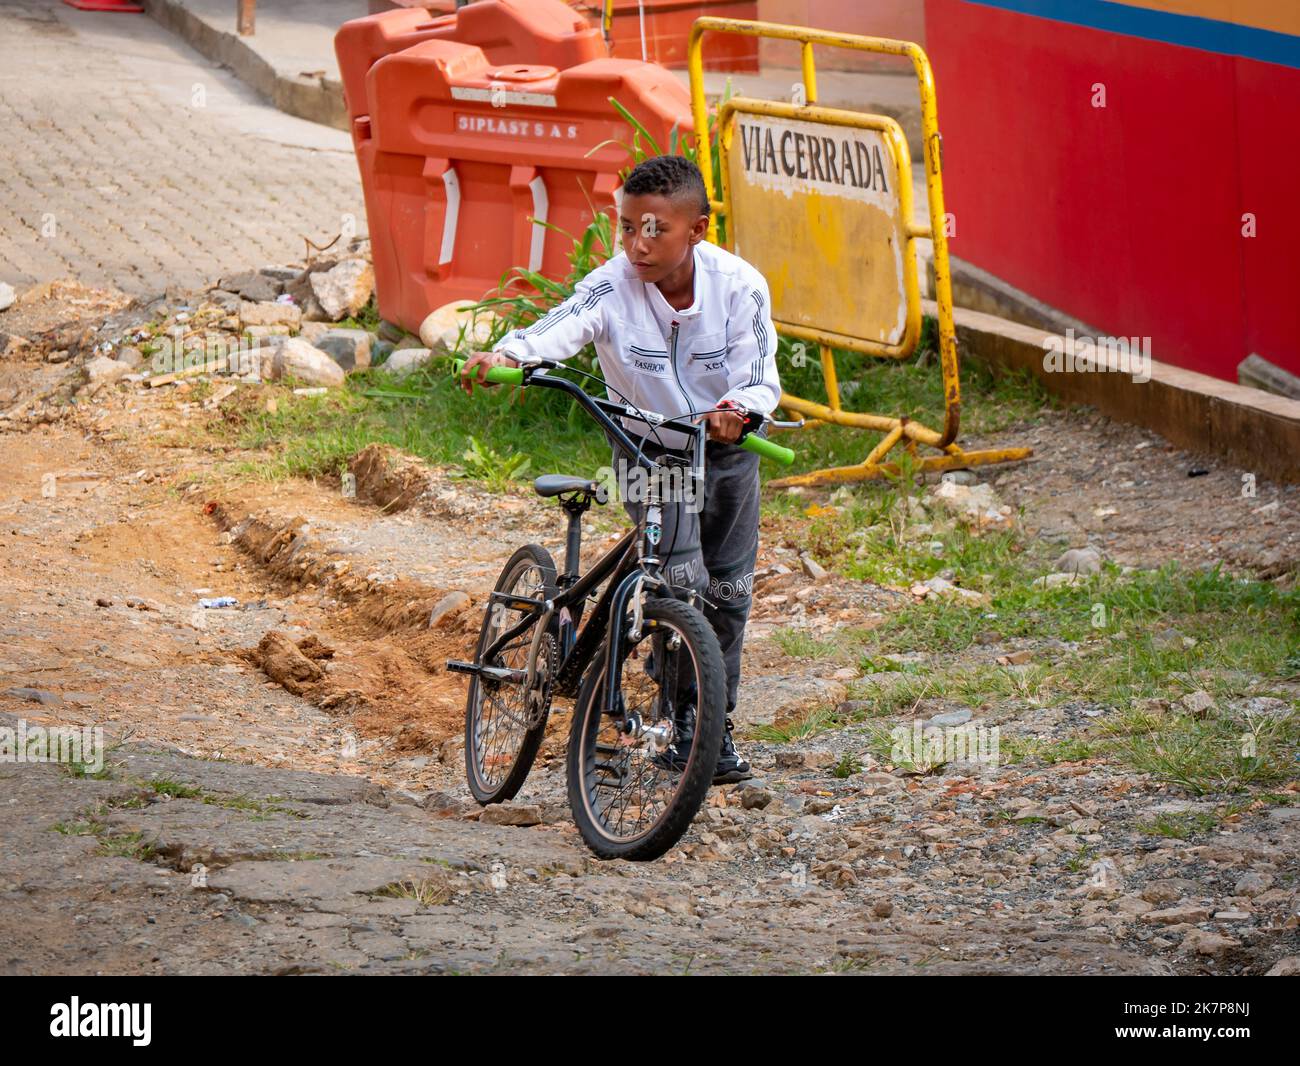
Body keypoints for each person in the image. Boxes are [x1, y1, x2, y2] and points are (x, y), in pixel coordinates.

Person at [459, 154, 781, 784]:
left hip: (727, 454)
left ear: (698, 229)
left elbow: (759, 373)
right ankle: (685, 723)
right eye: (626, 226)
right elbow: (560, 326)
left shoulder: (741, 287)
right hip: (645, 452)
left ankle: (711, 722)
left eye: (655, 228)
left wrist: (739, 409)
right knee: (680, 582)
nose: (637, 243)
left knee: (730, 595)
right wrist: (507, 354)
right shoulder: (611, 286)